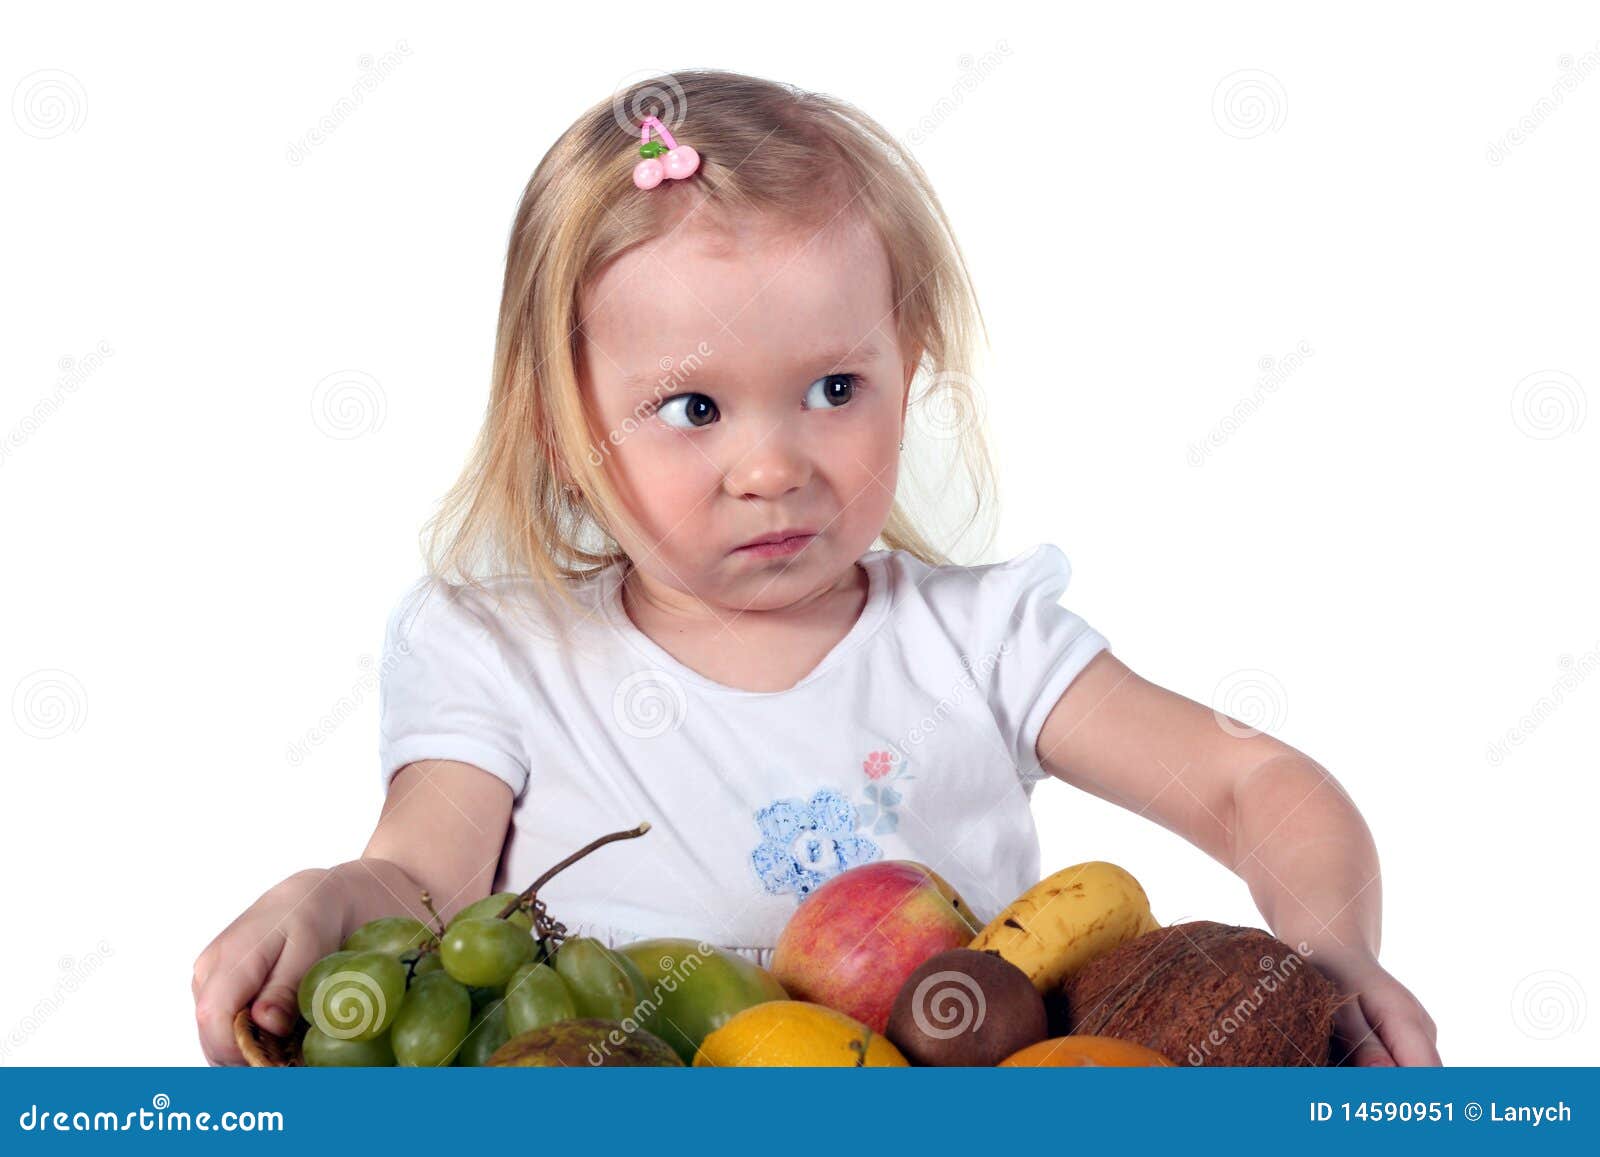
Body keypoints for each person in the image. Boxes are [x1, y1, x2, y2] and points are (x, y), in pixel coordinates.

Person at [192, 69, 1440, 1067]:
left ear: (911, 366)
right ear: (560, 429)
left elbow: (1248, 780)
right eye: (692, 407)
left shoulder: (982, 641)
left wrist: (1335, 949)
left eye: (835, 387)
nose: (773, 465)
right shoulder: (503, 654)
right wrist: (327, 897)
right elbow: (420, 877)